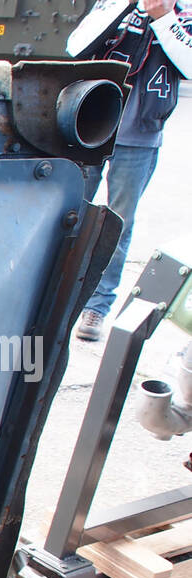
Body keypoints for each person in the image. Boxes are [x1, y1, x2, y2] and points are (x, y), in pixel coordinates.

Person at [69, 0, 192, 341]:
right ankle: (55, 295)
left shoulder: (183, 12)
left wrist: (164, 18)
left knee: (117, 225)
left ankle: (97, 306)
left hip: (139, 134)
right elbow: (75, 45)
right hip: (89, 123)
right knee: (69, 213)